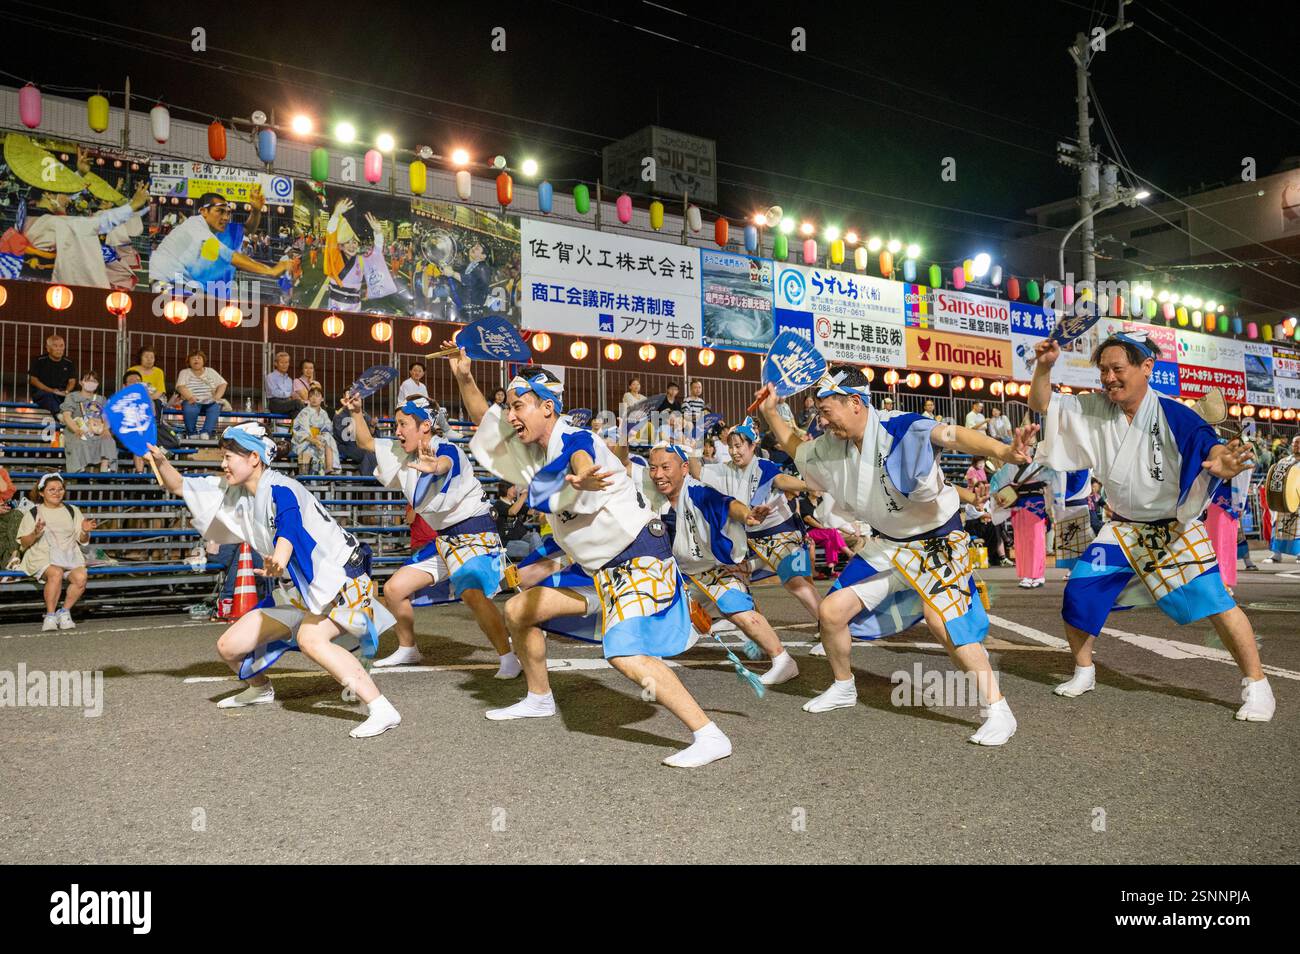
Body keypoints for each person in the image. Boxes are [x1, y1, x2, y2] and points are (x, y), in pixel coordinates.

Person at [453, 358, 732, 768]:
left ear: (547, 407)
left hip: (638, 558)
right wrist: (464, 377)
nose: (510, 415)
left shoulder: (571, 436)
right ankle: (538, 698)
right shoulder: (528, 448)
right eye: (509, 408)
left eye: (519, 406)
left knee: (623, 652)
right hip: (601, 572)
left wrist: (583, 476)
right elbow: (484, 418)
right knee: (519, 610)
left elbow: (580, 456)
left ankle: (709, 734)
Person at [758, 365, 1036, 745]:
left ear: (855, 403)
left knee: (942, 623)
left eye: (826, 411)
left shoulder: (901, 427)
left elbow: (953, 436)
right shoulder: (832, 445)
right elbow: (796, 448)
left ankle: (998, 708)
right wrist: (771, 411)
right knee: (831, 612)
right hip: (888, 544)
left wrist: (1005, 451)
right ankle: (843, 686)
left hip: (938, 539)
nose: (821, 421)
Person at [1029, 331, 1274, 721]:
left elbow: (1205, 443)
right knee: (1078, 593)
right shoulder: (1094, 408)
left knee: (1218, 604)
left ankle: (1257, 685)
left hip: (1172, 531)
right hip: (1122, 528)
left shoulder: (1176, 414)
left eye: (1117, 369)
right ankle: (1084, 670)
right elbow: (1044, 404)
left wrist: (1220, 461)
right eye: (1103, 370)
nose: (1109, 378)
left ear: (1146, 367)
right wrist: (1044, 366)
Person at [143, 424, 401, 737]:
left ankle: (381, 708)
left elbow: (288, 527)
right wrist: (161, 461)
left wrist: (278, 558)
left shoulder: (282, 487)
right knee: (229, 647)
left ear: (254, 457)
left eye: (228, 457)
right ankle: (261, 689)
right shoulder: (235, 493)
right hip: (299, 592)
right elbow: (182, 486)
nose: (222, 463)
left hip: (340, 582)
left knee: (311, 639)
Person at [343, 392, 519, 677]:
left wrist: (434, 466)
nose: (396, 431)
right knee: (394, 589)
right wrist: (356, 411)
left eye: (402, 424)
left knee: (472, 593)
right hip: (444, 539)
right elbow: (365, 442)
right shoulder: (404, 452)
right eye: (396, 425)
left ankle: (509, 656)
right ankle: (408, 648)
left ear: (425, 425)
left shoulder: (446, 448)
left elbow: (444, 463)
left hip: (473, 533)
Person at [639, 442, 799, 685]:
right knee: (651, 609)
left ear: (684, 468)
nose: (658, 474)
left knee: (738, 610)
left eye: (664, 467)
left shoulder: (699, 491)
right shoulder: (652, 495)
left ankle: (784, 660)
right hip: (680, 574)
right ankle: (651, 654)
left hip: (714, 568)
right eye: (653, 468)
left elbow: (727, 503)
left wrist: (747, 515)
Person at [693, 418, 820, 636]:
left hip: (783, 533)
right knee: (729, 576)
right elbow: (697, 472)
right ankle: (743, 618)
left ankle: (829, 626)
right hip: (751, 538)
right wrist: (692, 444)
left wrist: (810, 484)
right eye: (730, 446)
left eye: (739, 446)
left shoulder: (762, 465)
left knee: (797, 582)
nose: (734, 451)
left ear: (753, 446)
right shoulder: (725, 470)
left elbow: (781, 480)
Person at [149, 192, 288, 293]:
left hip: (185, 287)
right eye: (220, 211)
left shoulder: (214, 230)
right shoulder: (196, 228)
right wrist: (271, 270)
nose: (226, 217)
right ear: (203, 211)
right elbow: (232, 257)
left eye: (228, 213)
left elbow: (247, 229)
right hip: (164, 284)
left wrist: (256, 210)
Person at [16, 473, 95, 631]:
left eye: (60, 489)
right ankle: (50, 615)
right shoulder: (33, 513)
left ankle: (64, 612)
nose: (56, 493)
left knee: (81, 577)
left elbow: (83, 541)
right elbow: (23, 543)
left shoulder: (72, 510)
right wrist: (35, 534)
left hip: (68, 555)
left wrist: (85, 531)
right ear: (41, 492)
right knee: (56, 573)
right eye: (51, 489)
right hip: (41, 555)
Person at [60, 371, 116, 473]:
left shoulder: (101, 399)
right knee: (79, 441)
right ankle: (80, 471)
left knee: (108, 440)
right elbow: (67, 416)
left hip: (96, 430)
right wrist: (76, 429)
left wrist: (106, 429)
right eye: (88, 380)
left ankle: (105, 470)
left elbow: (106, 417)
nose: (91, 383)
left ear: (98, 384)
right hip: (77, 430)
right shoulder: (72, 397)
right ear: (81, 382)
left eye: (94, 381)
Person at [1262, 435, 1300, 564]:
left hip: (1299, 499)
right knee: (1279, 526)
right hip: (1284, 499)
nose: (1297, 445)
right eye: (1295, 443)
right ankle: (1276, 554)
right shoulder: (1284, 461)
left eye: (1299, 443)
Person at [174, 350, 227, 439]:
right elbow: (180, 386)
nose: (196, 360)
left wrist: (217, 397)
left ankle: (206, 432)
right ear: (189, 362)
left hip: (209, 400)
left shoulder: (210, 371)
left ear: (203, 361)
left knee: (215, 408)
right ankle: (192, 433)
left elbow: (223, 384)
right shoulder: (185, 372)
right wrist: (190, 397)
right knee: (190, 409)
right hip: (192, 400)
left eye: (199, 358)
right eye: (193, 358)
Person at [27, 334, 77, 419]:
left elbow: (72, 381)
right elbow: (33, 380)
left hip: (62, 393)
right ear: (48, 348)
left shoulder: (69, 363)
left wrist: (67, 391)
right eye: (55, 346)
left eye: (61, 346)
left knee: (75, 398)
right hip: (43, 393)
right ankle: (59, 416)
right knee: (49, 396)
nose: (59, 349)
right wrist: (51, 390)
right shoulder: (39, 361)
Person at [292, 385, 338, 474]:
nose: (314, 398)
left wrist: (319, 438)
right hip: (304, 442)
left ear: (322, 399)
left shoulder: (324, 413)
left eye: (317, 395)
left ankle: (329, 469)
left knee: (328, 438)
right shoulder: (304, 413)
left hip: (319, 441)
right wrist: (314, 440)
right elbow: (301, 431)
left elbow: (327, 429)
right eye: (312, 395)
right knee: (308, 451)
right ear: (308, 398)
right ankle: (304, 477)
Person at [332, 404, 377, 477]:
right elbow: (339, 436)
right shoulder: (339, 414)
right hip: (345, 446)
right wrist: (349, 429)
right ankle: (369, 479)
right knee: (365, 452)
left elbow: (371, 436)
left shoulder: (362, 413)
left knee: (374, 450)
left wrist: (372, 426)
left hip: (360, 445)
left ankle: (374, 478)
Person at [265, 351, 303, 418]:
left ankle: (294, 428)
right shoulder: (270, 377)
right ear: (276, 363)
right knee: (297, 403)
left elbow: (292, 394)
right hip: (275, 403)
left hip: (287, 403)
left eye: (286, 362)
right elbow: (274, 392)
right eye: (282, 362)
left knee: (296, 412)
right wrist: (290, 394)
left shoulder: (289, 380)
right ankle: (310, 425)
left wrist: (295, 396)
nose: (284, 365)